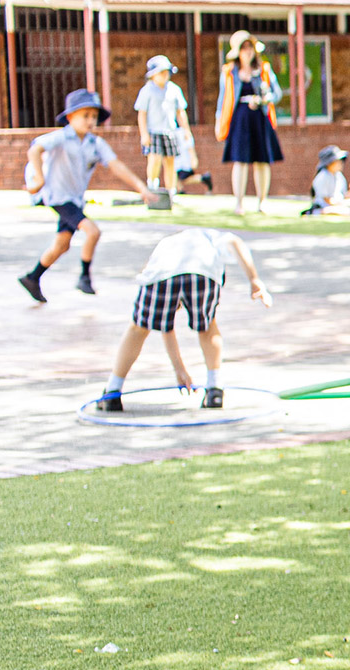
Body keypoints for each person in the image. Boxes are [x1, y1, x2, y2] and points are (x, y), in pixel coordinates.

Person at [94, 227, 271, 412]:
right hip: (203, 272)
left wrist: (179, 370)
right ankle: (215, 390)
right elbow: (236, 242)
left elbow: (165, 325)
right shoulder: (210, 237)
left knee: (139, 328)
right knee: (208, 327)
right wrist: (254, 279)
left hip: (163, 274)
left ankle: (112, 392)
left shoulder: (165, 249)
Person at [18, 89, 157, 303]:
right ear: (71, 117)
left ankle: (32, 278)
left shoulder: (95, 144)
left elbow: (116, 166)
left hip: (74, 199)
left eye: (94, 116)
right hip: (58, 197)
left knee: (61, 245)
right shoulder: (61, 137)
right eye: (85, 115)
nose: (90, 120)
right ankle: (84, 278)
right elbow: (34, 150)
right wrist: (39, 180)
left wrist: (141, 187)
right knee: (92, 231)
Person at [216, 30, 283, 215]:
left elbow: (276, 94)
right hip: (240, 120)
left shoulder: (264, 70)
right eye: (244, 48)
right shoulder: (229, 72)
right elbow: (223, 99)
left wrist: (263, 99)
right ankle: (239, 203)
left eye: (250, 47)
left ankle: (262, 201)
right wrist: (218, 121)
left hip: (260, 118)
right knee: (241, 161)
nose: (247, 51)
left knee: (262, 162)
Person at [133, 55, 190, 195]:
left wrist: (186, 130)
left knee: (170, 162)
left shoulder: (174, 89)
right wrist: (144, 134)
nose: (165, 75)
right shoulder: (147, 91)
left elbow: (180, 112)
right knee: (154, 159)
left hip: (170, 131)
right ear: (153, 75)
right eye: (162, 72)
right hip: (153, 131)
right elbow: (142, 114)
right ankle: (152, 187)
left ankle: (171, 191)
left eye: (167, 72)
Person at [305, 145, 350, 216]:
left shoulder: (339, 175)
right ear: (329, 163)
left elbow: (342, 195)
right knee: (346, 211)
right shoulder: (323, 176)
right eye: (337, 161)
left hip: (338, 204)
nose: (341, 163)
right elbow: (326, 199)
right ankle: (316, 212)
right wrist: (340, 204)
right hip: (325, 206)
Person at [172, 126, 213, 194]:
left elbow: (190, 146)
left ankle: (204, 178)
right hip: (178, 161)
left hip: (183, 161)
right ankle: (180, 190)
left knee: (183, 178)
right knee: (177, 177)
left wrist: (193, 158)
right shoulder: (175, 132)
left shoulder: (183, 132)